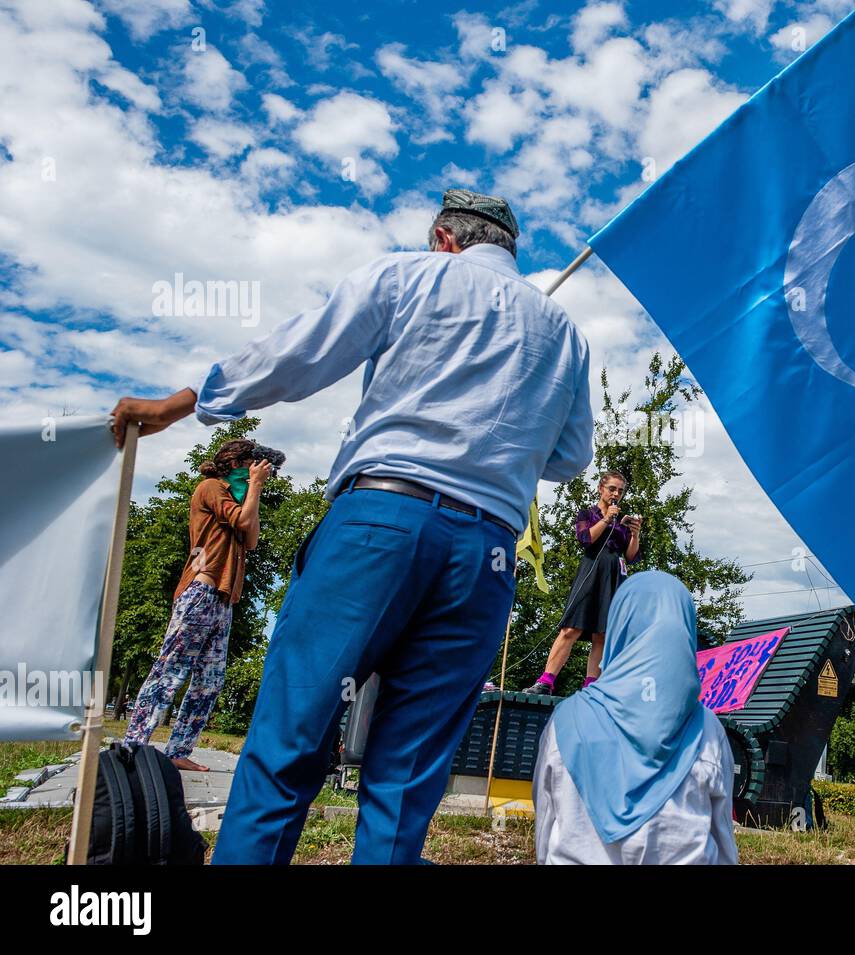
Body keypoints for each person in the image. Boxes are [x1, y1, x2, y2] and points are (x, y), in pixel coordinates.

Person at [110, 189, 594, 864]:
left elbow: (298, 354)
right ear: (506, 248)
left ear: (444, 238)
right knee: (403, 785)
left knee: (288, 744)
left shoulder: (406, 276)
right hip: (484, 554)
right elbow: (571, 457)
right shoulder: (564, 333)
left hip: (381, 524)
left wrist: (185, 401)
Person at [532, 570, 738, 865]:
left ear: (618, 628)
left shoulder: (566, 720)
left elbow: (545, 832)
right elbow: (723, 845)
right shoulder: (708, 730)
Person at [122, 439, 269, 771]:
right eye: (250, 465)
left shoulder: (237, 498)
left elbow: (252, 538)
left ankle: (177, 751)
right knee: (171, 671)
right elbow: (243, 523)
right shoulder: (211, 487)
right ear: (235, 464)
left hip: (224, 599)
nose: (253, 473)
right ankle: (133, 746)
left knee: (209, 681)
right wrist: (255, 487)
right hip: (200, 591)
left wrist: (253, 494)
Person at [523, 470, 642, 695]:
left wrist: (634, 535)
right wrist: (607, 518)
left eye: (620, 490)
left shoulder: (622, 523)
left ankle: (591, 687)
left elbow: (631, 557)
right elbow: (585, 538)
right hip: (591, 571)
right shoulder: (588, 514)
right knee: (571, 628)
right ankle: (546, 681)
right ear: (600, 488)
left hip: (614, 575)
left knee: (602, 634)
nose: (616, 493)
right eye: (612, 489)